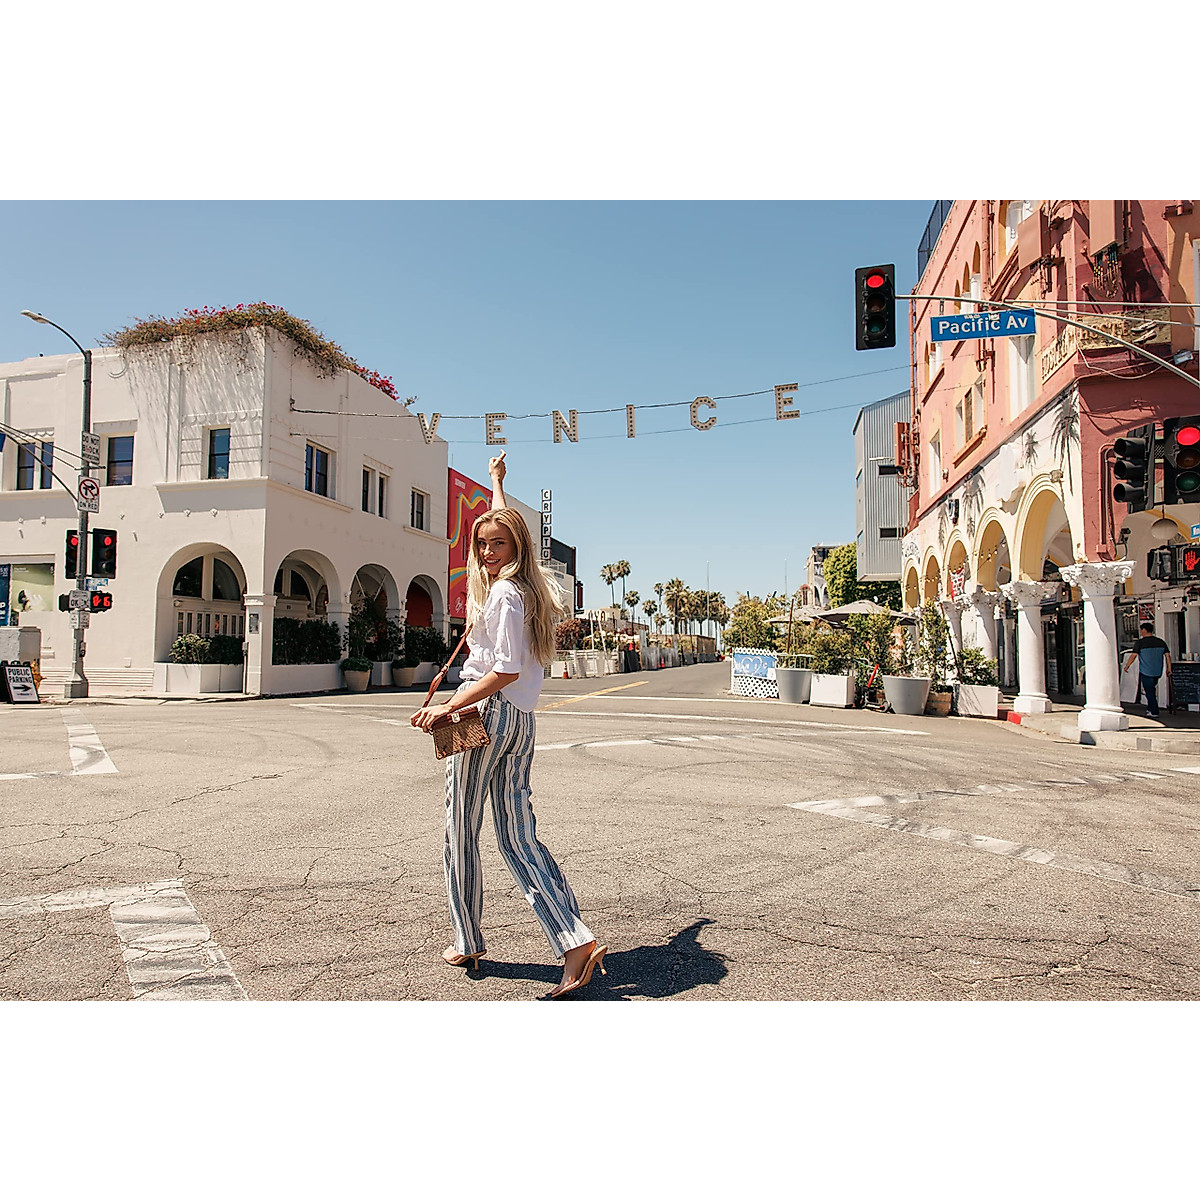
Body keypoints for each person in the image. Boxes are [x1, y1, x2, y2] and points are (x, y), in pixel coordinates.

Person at [411, 451, 607, 998]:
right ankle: (575, 941)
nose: (488, 552)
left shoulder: (501, 592)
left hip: (486, 713)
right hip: (521, 721)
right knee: (517, 834)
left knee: (460, 830)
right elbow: (504, 525)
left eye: (498, 544)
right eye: (482, 544)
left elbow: (503, 669)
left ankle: (469, 937)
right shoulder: (531, 590)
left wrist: (446, 708)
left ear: (515, 547)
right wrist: (497, 484)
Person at [1123, 621, 1172, 717]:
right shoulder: (1161, 642)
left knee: (1150, 691)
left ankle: (1154, 711)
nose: (1140, 632)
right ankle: (1150, 709)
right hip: (1158, 671)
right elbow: (1167, 656)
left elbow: (1133, 656)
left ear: (1144, 630)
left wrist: (1127, 665)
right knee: (1151, 690)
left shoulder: (1140, 643)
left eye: (1141, 630)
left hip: (1146, 671)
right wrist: (1169, 668)